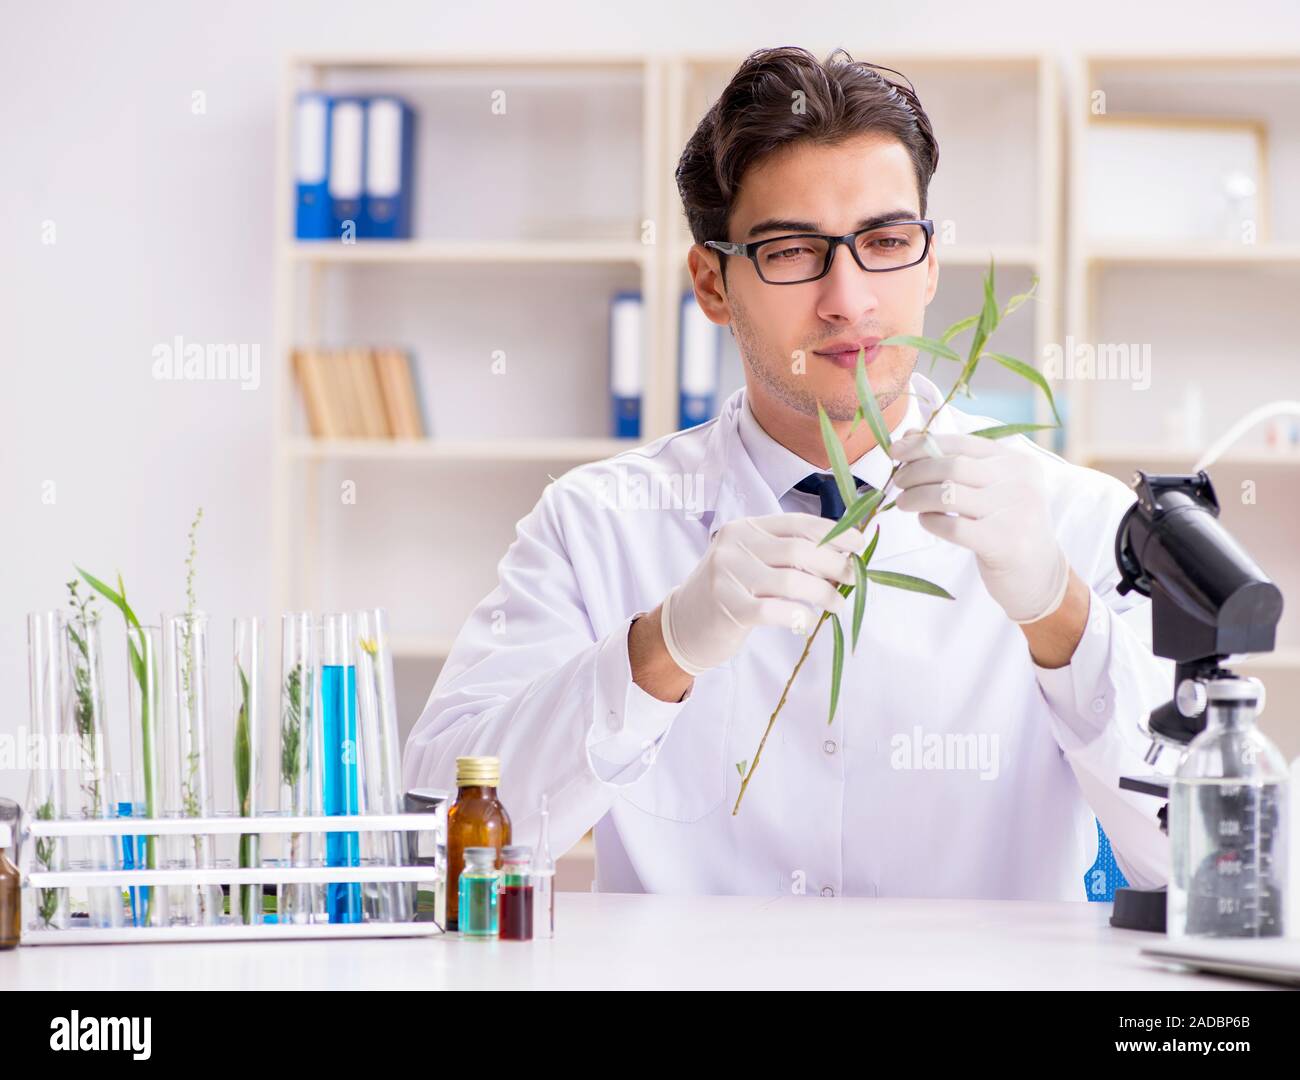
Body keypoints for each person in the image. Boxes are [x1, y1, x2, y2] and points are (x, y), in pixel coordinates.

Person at [403, 46, 1173, 900]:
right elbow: (443, 843)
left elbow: (1213, 865)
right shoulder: (598, 521)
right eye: (794, 250)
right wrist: (658, 652)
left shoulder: (1075, 520)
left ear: (929, 263)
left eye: (885, 241)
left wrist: (1061, 614)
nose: (848, 297)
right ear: (712, 283)